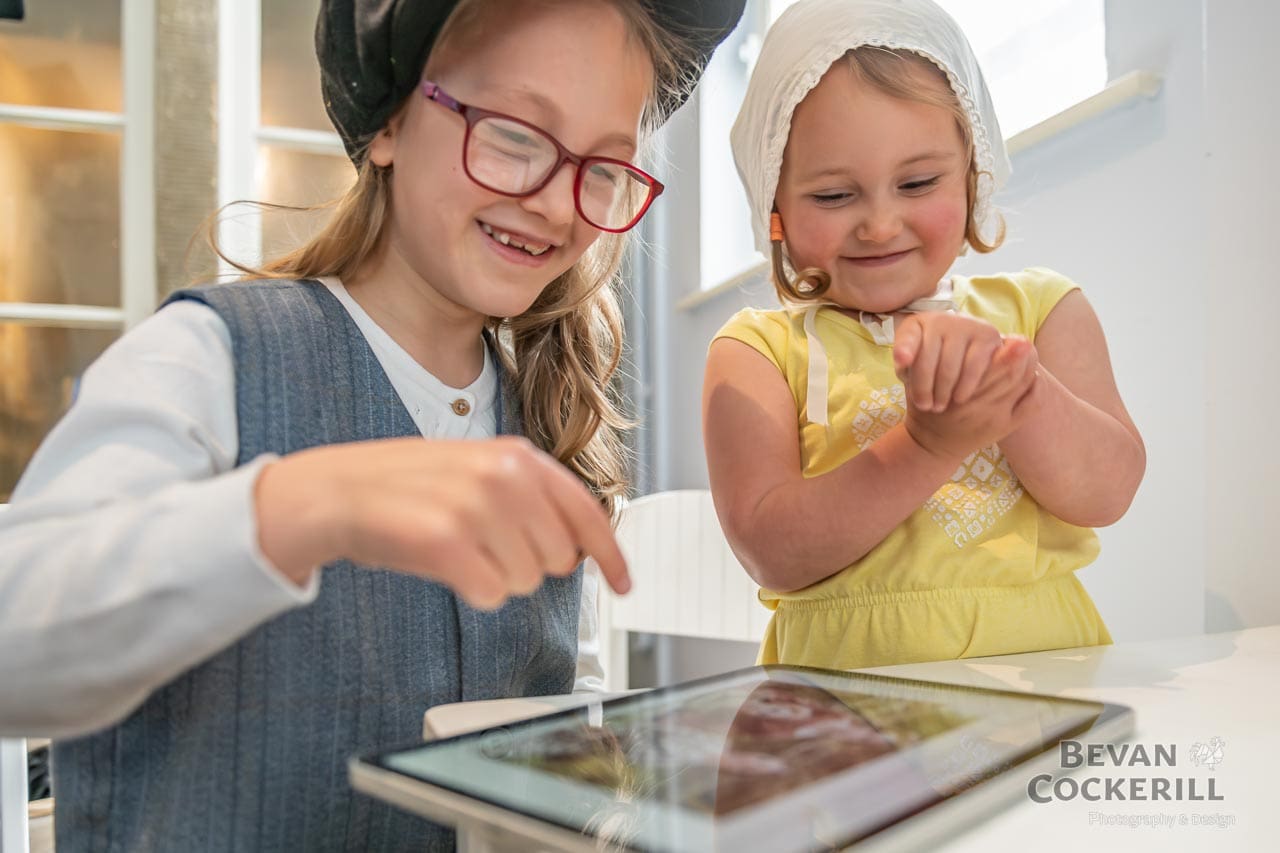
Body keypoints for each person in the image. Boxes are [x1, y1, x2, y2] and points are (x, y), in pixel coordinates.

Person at [0, 0, 745, 849]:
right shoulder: (209, 357)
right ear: (391, 120)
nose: (555, 204)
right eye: (511, 134)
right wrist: (296, 507)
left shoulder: (547, 419)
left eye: (604, 168)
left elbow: (563, 699)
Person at [703, 0, 1145, 672]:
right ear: (776, 210)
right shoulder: (754, 351)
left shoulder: (1043, 310)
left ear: (971, 172)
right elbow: (773, 551)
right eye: (832, 196)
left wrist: (1016, 390)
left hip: (1052, 682)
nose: (880, 224)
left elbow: (1108, 491)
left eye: (917, 182)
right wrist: (926, 445)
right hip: (842, 715)